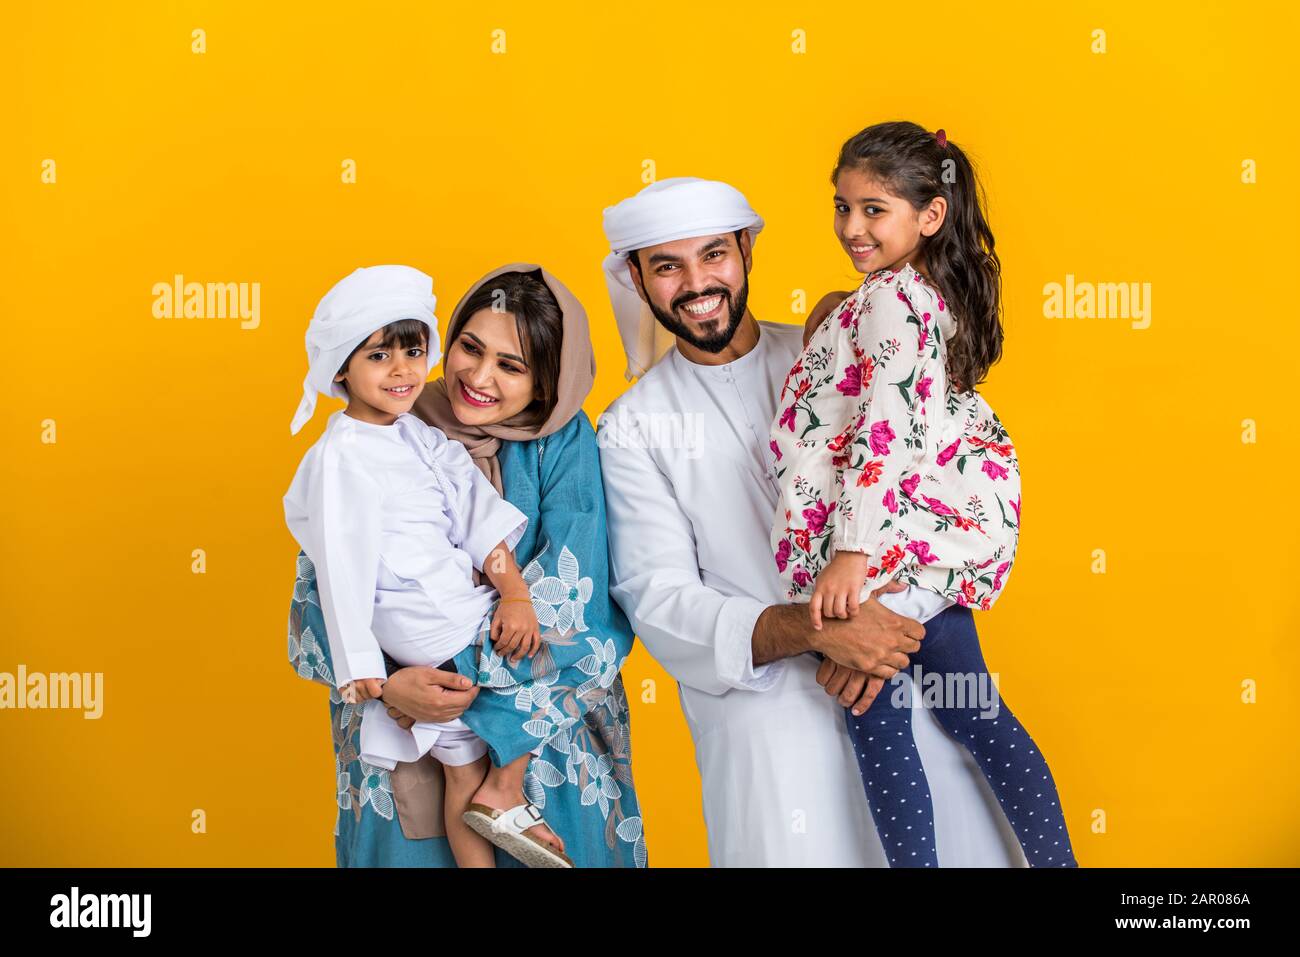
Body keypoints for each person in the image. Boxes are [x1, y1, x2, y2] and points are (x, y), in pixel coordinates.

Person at [597, 176, 1025, 866]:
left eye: (714, 254)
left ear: (746, 250)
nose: (697, 282)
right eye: (667, 265)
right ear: (638, 281)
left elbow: (944, 476)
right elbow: (661, 601)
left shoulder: (834, 348)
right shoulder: (629, 428)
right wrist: (821, 629)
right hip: (768, 730)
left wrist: (883, 617)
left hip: (904, 667)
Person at [770, 121, 1075, 866]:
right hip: (921, 550)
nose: (851, 226)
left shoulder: (891, 302)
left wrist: (851, 554)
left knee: (878, 720)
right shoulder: (907, 293)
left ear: (929, 215)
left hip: (883, 556)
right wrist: (840, 311)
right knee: (979, 717)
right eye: (842, 207)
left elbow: (888, 429)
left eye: (875, 209)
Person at [287, 263, 646, 868]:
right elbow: (328, 585)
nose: (478, 378)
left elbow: (573, 595)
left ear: (550, 380)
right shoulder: (385, 424)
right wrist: (389, 686)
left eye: (511, 366)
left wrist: (471, 686)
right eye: (468, 348)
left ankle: (502, 788)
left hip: (543, 736)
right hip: (405, 721)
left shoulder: (562, 442)